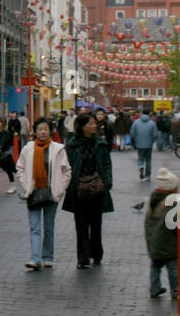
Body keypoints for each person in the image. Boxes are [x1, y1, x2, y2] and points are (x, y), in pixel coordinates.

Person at [16, 116, 70, 270]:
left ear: (50, 131)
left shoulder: (58, 149)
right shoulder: (28, 149)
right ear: (35, 132)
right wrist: (25, 184)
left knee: (48, 227)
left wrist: (61, 188)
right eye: (40, 129)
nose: (43, 132)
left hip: (51, 192)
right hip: (33, 192)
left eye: (46, 129)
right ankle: (35, 258)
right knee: (34, 227)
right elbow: (20, 168)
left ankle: (47, 256)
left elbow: (66, 170)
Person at [62, 111, 113, 268]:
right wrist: (70, 184)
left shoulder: (100, 143)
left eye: (94, 123)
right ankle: (83, 257)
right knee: (81, 224)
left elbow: (106, 163)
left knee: (96, 223)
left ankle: (96, 253)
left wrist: (107, 182)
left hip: (97, 189)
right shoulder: (73, 144)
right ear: (82, 127)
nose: (93, 126)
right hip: (79, 190)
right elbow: (67, 166)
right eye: (89, 124)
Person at [144, 168, 180, 298]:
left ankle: (154, 288)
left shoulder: (153, 199)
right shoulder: (171, 203)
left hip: (153, 241)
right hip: (168, 243)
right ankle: (175, 290)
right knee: (173, 268)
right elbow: (173, 224)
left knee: (155, 266)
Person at [130, 108, 157, 181]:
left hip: (139, 143)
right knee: (148, 160)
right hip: (148, 144)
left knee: (140, 158)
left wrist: (135, 140)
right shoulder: (152, 123)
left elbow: (132, 133)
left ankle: (141, 166)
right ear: (149, 114)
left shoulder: (136, 122)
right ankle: (147, 175)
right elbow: (155, 135)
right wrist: (152, 141)